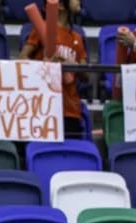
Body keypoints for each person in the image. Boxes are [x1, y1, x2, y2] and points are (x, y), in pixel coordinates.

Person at [18, 0, 88, 140]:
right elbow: (22, 58)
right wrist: (41, 66)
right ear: (61, 5)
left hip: (70, 110)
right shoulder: (40, 29)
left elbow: (86, 76)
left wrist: (71, 64)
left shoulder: (77, 38)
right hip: (44, 108)